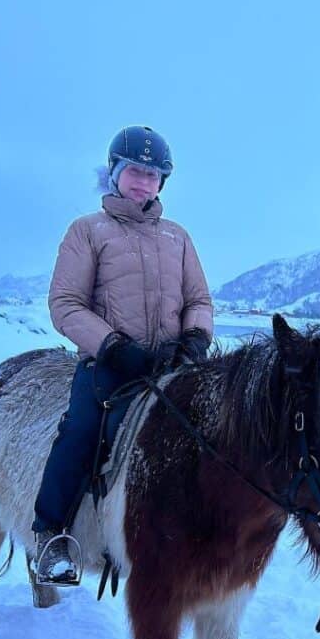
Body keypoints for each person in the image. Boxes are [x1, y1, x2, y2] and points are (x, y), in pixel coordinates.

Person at [32, 125, 213, 585]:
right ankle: (50, 537)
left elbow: (199, 300)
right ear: (114, 172)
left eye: (154, 175)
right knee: (80, 432)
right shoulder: (88, 231)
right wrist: (112, 346)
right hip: (109, 367)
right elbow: (66, 303)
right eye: (135, 170)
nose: (144, 181)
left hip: (173, 366)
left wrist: (194, 338)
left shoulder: (178, 237)